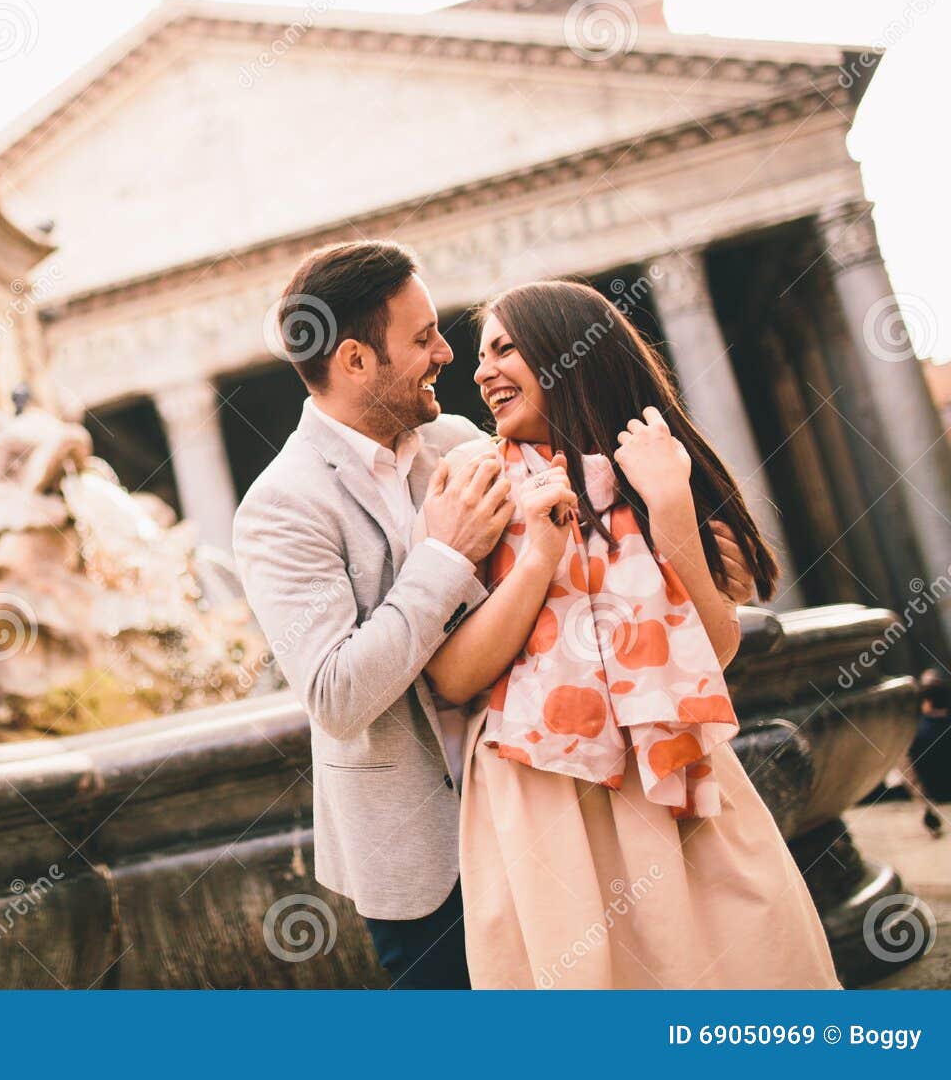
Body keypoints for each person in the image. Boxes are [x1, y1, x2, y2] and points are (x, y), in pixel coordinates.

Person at [428, 278, 839, 988]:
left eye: (504, 348)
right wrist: (541, 557)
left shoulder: (655, 470)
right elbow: (454, 677)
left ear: (567, 351)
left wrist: (672, 502)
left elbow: (714, 649)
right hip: (544, 792)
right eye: (480, 354)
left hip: (670, 778)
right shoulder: (475, 484)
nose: (481, 370)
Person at [233, 240, 512, 988]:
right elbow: (336, 694)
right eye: (421, 338)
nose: (446, 353)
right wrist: (445, 558)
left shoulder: (459, 442)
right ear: (356, 360)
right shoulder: (279, 506)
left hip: (530, 805)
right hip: (420, 865)